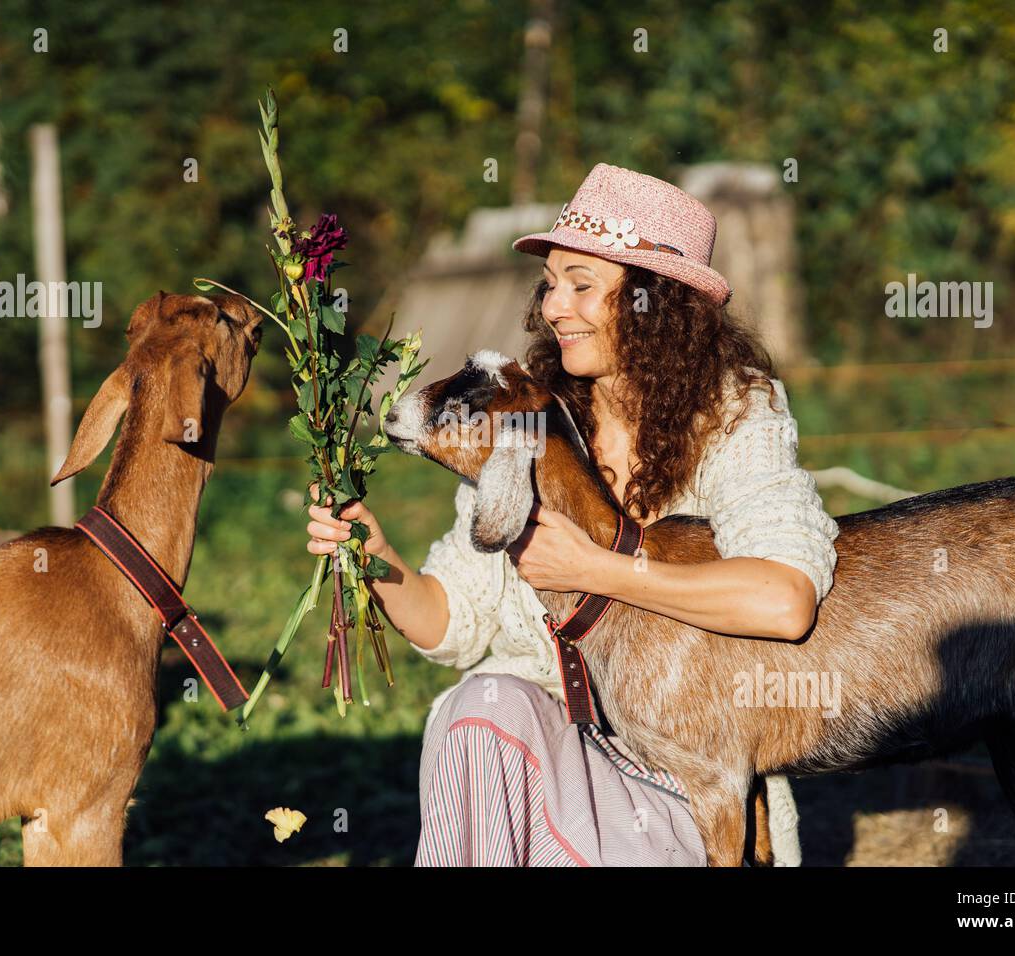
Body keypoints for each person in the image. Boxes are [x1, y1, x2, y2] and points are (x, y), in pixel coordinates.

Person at [305, 163, 839, 866]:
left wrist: (601, 571)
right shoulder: (528, 423)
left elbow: (783, 599)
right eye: (551, 283)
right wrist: (375, 557)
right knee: (481, 708)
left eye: (582, 285)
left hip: (686, 791)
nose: (555, 307)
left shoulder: (736, 416)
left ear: (657, 304)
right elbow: (451, 620)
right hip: (550, 766)